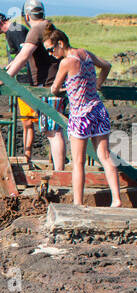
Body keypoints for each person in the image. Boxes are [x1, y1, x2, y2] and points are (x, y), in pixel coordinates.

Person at [44, 26, 121, 208]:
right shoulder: (85, 54)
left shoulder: (66, 62)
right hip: (98, 109)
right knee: (105, 155)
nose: (50, 53)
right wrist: (98, 84)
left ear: (61, 43)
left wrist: (63, 89)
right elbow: (107, 66)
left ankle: (78, 203)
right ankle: (116, 199)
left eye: (51, 49)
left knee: (78, 162)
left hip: (80, 115)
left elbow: (54, 88)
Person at [0, 6, 65, 169]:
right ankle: (53, 162)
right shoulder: (14, 31)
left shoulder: (15, 29)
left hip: (33, 81)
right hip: (34, 80)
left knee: (39, 124)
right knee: (45, 126)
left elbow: (24, 56)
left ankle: (48, 163)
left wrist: (4, 78)